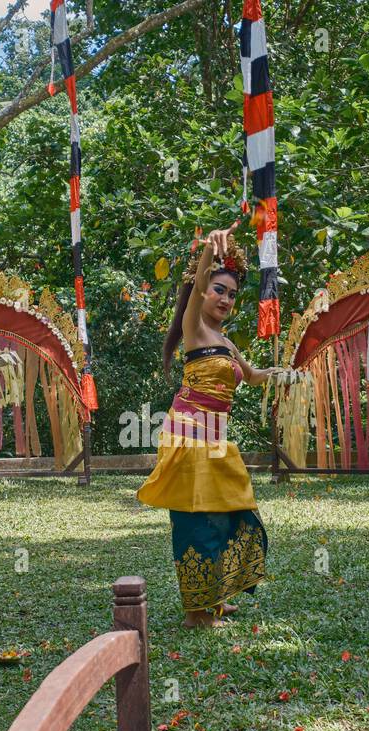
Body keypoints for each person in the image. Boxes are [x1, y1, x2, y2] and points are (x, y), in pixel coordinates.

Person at [137, 223, 281, 628]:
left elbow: (251, 377)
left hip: (214, 438)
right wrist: (208, 251)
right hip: (188, 433)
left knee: (227, 515)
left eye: (233, 294)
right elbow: (199, 283)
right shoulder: (194, 328)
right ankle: (196, 612)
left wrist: (283, 374)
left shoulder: (226, 341)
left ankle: (213, 599)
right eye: (220, 290)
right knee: (196, 523)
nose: (225, 298)